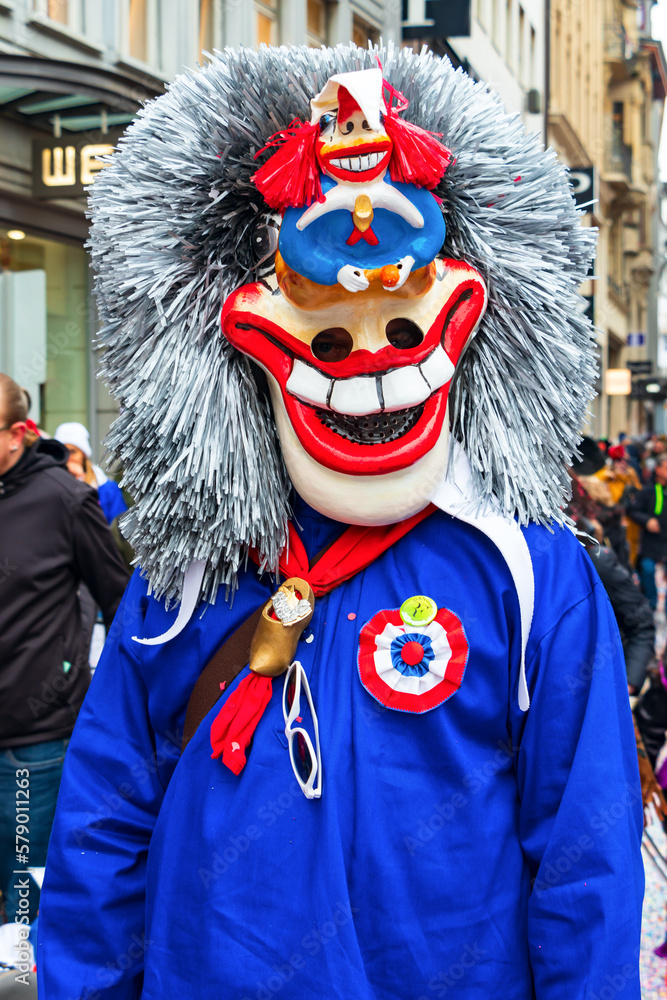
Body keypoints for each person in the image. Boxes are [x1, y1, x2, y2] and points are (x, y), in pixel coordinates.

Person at [38, 50, 643, 999]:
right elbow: (104, 820)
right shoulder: (190, 563)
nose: (364, 364)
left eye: (398, 325)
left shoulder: (531, 573)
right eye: (326, 332)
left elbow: (585, 858)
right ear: (243, 336)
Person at [0, 374, 130, 924]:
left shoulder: (66, 500)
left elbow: (119, 600)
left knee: (26, 902)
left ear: (18, 433)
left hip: (35, 742)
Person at [53, 421, 127, 526]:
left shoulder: (107, 488)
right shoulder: (49, 484)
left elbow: (118, 529)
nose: (67, 457)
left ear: (83, 454)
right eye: (62, 452)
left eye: (73, 452)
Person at [627, 453, 667, 609]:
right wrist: (647, 520)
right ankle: (651, 606)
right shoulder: (647, 491)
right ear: (658, 469)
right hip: (650, 544)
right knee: (648, 570)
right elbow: (632, 510)